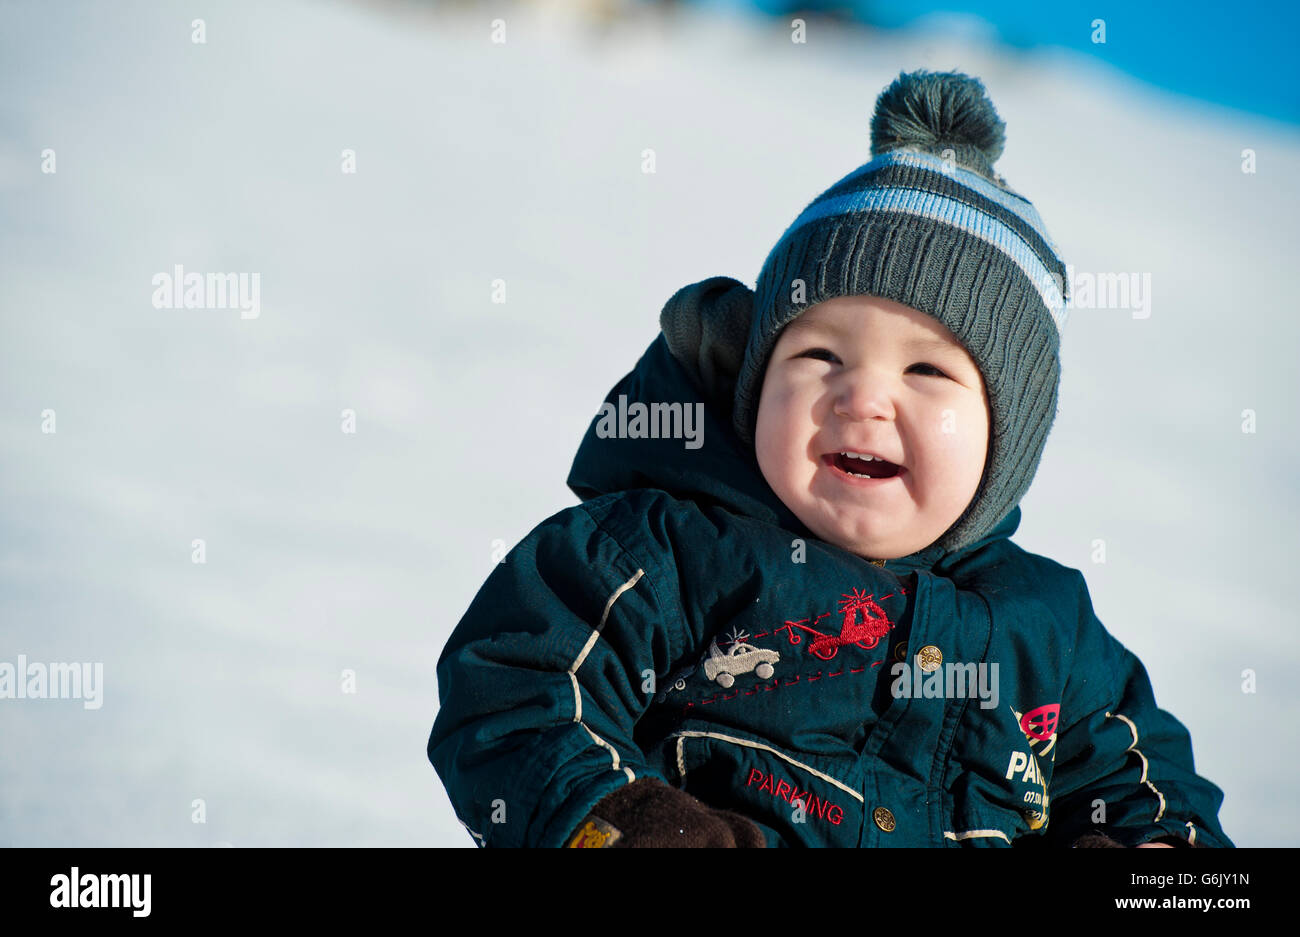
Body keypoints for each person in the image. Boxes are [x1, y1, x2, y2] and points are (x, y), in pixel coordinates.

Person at [426, 69, 1232, 848]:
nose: (863, 399)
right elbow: (517, 683)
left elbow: (1148, 792)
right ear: (757, 381)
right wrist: (623, 821)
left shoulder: (1050, 637)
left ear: (1005, 439)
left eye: (926, 370)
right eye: (819, 356)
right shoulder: (667, 555)